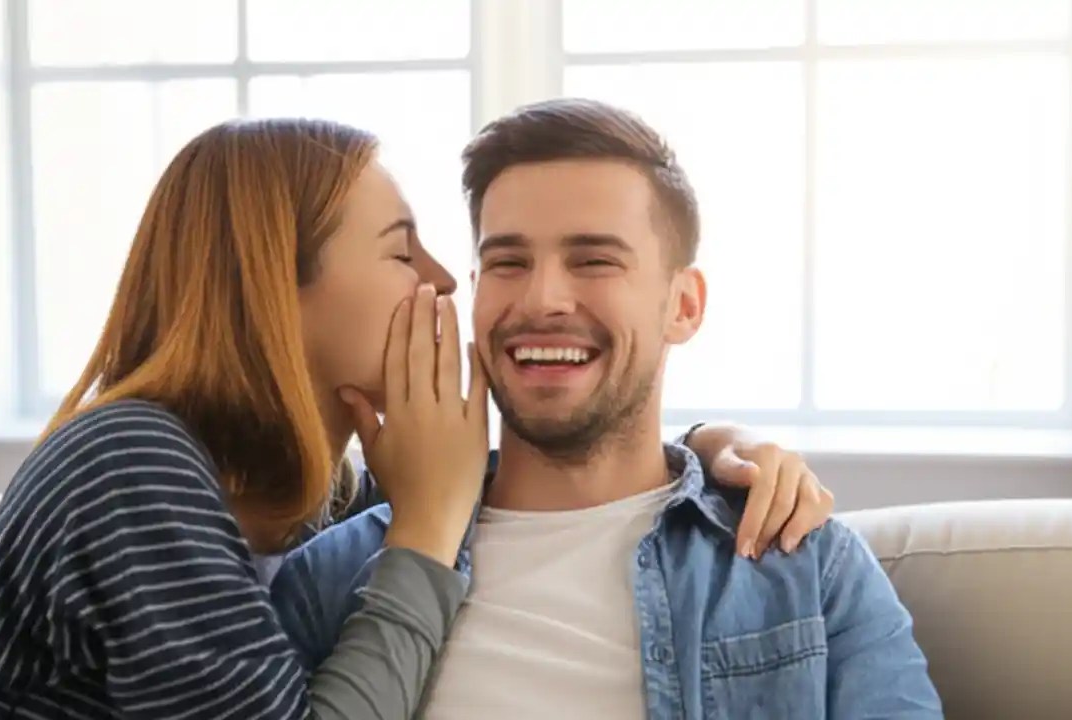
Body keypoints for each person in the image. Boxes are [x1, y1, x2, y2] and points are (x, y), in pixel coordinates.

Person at [0, 117, 832, 719]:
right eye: (398, 250)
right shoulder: (132, 463)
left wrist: (713, 448)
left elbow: (579, 445)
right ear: (277, 291)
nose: (441, 281)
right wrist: (424, 528)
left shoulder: (321, 498)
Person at [271, 99, 944, 718]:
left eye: (593, 260)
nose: (542, 300)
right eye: (508, 263)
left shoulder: (806, 563)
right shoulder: (330, 579)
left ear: (683, 306)